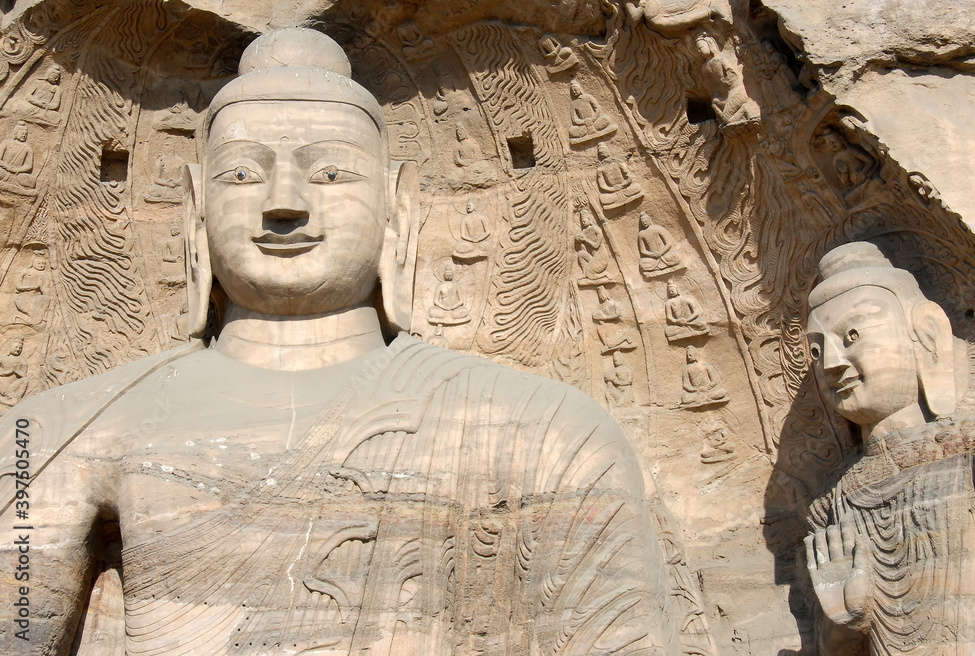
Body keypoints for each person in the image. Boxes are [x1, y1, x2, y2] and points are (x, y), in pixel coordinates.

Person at [0, 28, 683, 654]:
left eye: (330, 173)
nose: (284, 203)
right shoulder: (64, 429)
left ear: (399, 206)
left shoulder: (544, 430)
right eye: (242, 174)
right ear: (193, 205)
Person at [804, 241, 975, 655]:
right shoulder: (833, 504)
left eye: (852, 335)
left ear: (926, 335)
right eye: (818, 350)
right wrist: (843, 625)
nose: (832, 364)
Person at [638, 211, 683, 278]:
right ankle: (662, 265)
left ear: (649, 220)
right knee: (642, 263)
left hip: (664, 254)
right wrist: (652, 254)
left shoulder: (658, 228)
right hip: (653, 258)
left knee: (676, 255)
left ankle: (658, 266)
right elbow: (643, 251)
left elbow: (668, 243)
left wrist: (661, 252)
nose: (644, 223)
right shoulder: (641, 234)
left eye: (645, 221)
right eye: (643, 222)